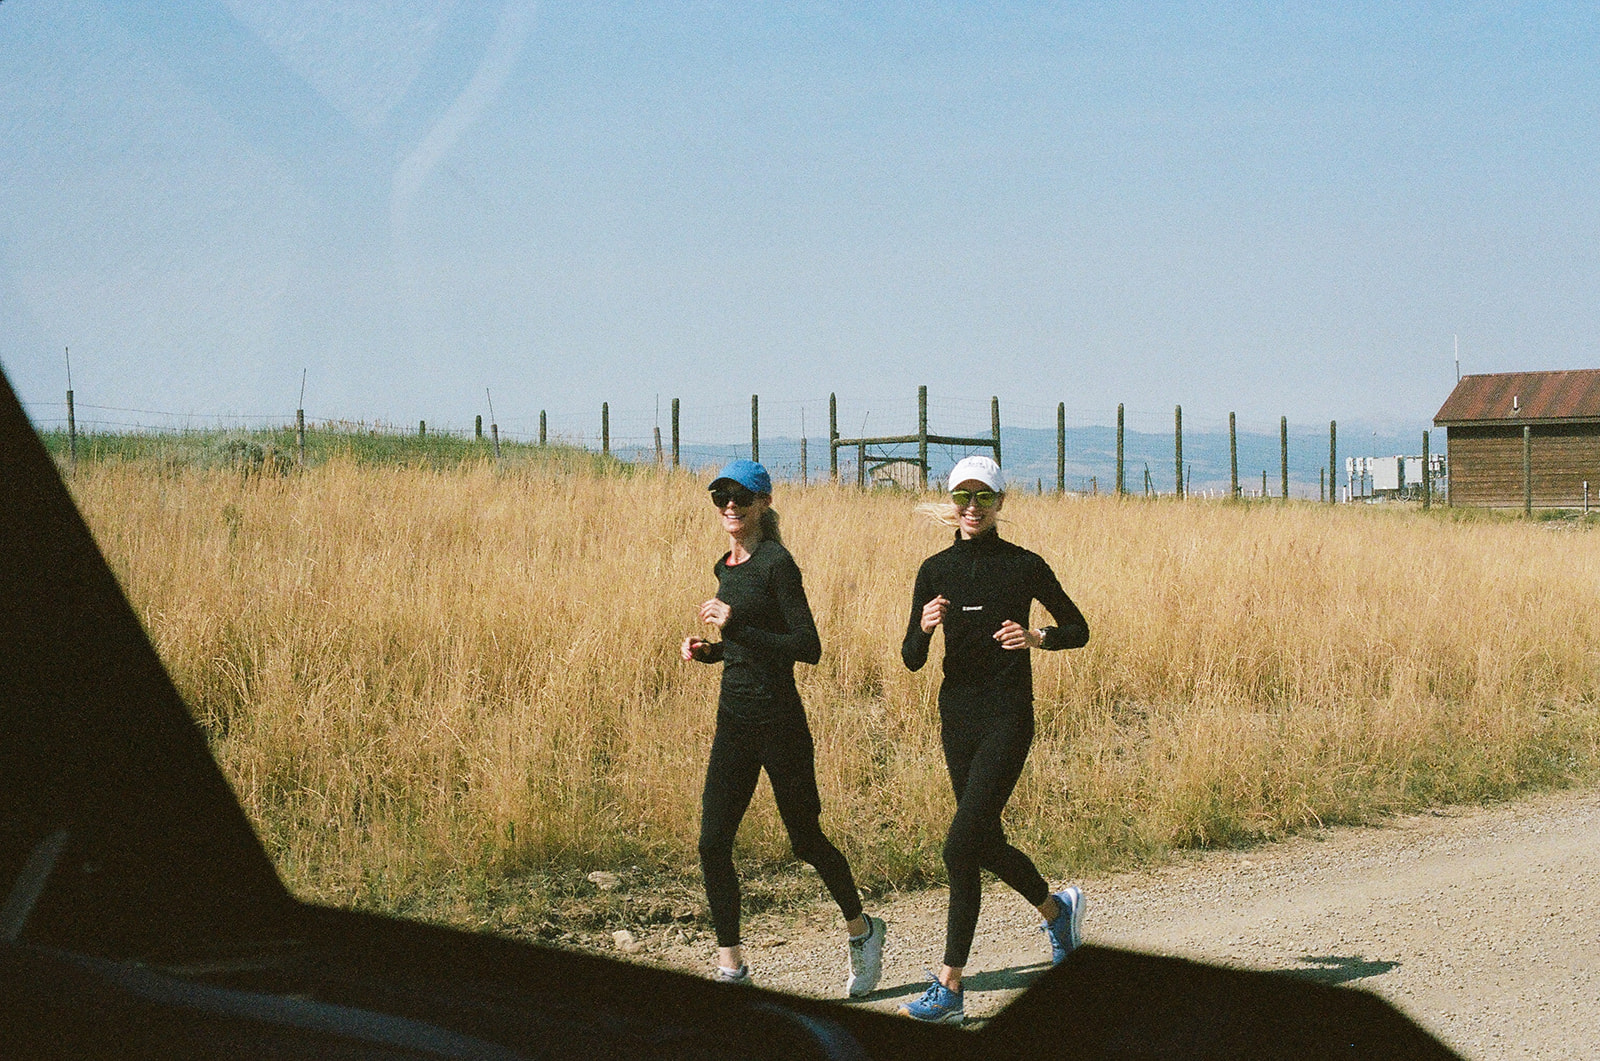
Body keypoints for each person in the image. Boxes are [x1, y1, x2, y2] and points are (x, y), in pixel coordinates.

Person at [680, 459, 885, 996]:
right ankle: (733, 966)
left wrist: (736, 623)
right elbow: (746, 646)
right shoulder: (725, 566)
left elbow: (806, 647)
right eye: (721, 495)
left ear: (763, 503)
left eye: (741, 497)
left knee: (806, 840)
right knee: (711, 843)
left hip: (780, 723)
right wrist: (711, 652)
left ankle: (862, 932)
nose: (729, 504)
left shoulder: (777, 563)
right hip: (735, 719)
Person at [896, 454, 1090, 1023]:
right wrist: (925, 628)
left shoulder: (1024, 565)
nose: (973, 507)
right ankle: (1057, 912)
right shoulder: (934, 569)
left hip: (1009, 714)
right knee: (980, 841)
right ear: (952, 504)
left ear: (1001, 503)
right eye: (963, 497)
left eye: (984, 497)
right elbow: (910, 659)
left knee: (960, 846)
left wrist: (1037, 637)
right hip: (957, 715)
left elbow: (1078, 628)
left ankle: (950, 991)